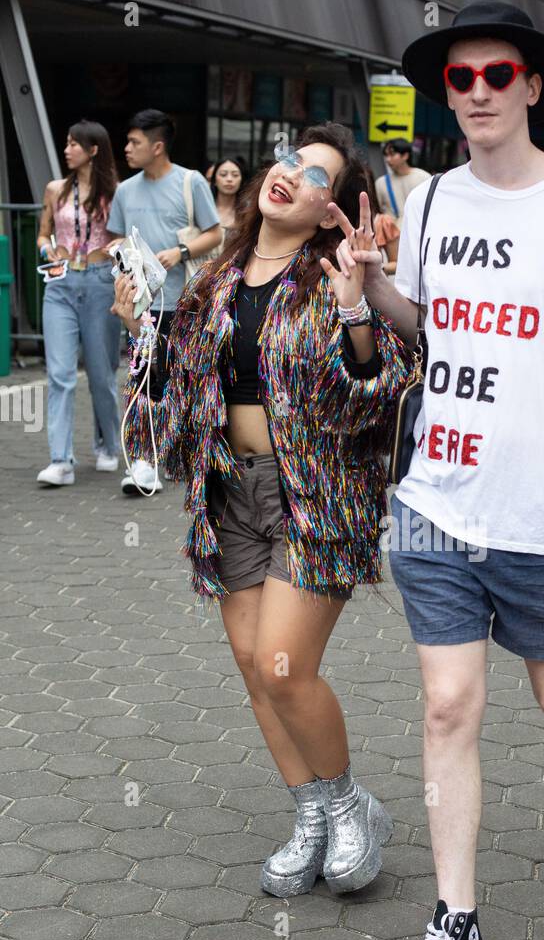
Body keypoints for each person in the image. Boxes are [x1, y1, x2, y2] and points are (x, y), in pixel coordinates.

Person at [328, 0, 544, 940]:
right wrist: (366, 287)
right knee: (445, 704)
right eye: (456, 79)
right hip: (434, 498)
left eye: (492, 74)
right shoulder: (428, 201)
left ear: (530, 86)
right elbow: (424, 327)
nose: (472, 92)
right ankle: (455, 922)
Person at [114, 123, 413, 898]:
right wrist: (138, 337)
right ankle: (311, 815)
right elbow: (172, 412)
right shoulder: (216, 281)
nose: (289, 175)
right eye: (287, 161)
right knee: (253, 666)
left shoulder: (334, 276)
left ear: (327, 212)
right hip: (229, 493)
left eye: (314, 175)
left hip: (313, 497)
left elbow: (373, 401)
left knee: (285, 665)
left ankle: (353, 807)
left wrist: (354, 308)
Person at [105, 109, 222, 494]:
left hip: (183, 300)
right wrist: (121, 255)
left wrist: (180, 251)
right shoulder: (124, 190)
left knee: (180, 378)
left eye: (134, 142)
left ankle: (175, 451)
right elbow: (117, 238)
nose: (126, 149)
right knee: (142, 376)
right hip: (140, 305)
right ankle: (142, 459)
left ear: (157, 146)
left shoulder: (190, 182)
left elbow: (215, 234)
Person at [35, 120, 120, 487]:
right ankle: (60, 459)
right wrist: (47, 249)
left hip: (101, 282)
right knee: (60, 374)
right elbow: (43, 232)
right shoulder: (56, 189)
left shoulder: (116, 192)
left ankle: (107, 444)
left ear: (94, 150)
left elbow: (121, 238)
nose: (67, 149)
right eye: (67, 143)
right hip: (61, 282)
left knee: (101, 375)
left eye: (74, 144)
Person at [373, 138, 429, 225]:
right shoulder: (381, 183)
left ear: (405, 155)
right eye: (386, 155)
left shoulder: (424, 178)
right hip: (392, 236)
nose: (388, 159)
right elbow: (375, 211)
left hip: (418, 231)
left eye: (392, 154)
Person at [210, 154, 248, 254]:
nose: (229, 179)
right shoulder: (203, 208)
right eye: (223, 174)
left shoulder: (248, 211)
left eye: (235, 175)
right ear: (214, 180)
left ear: (241, 180)